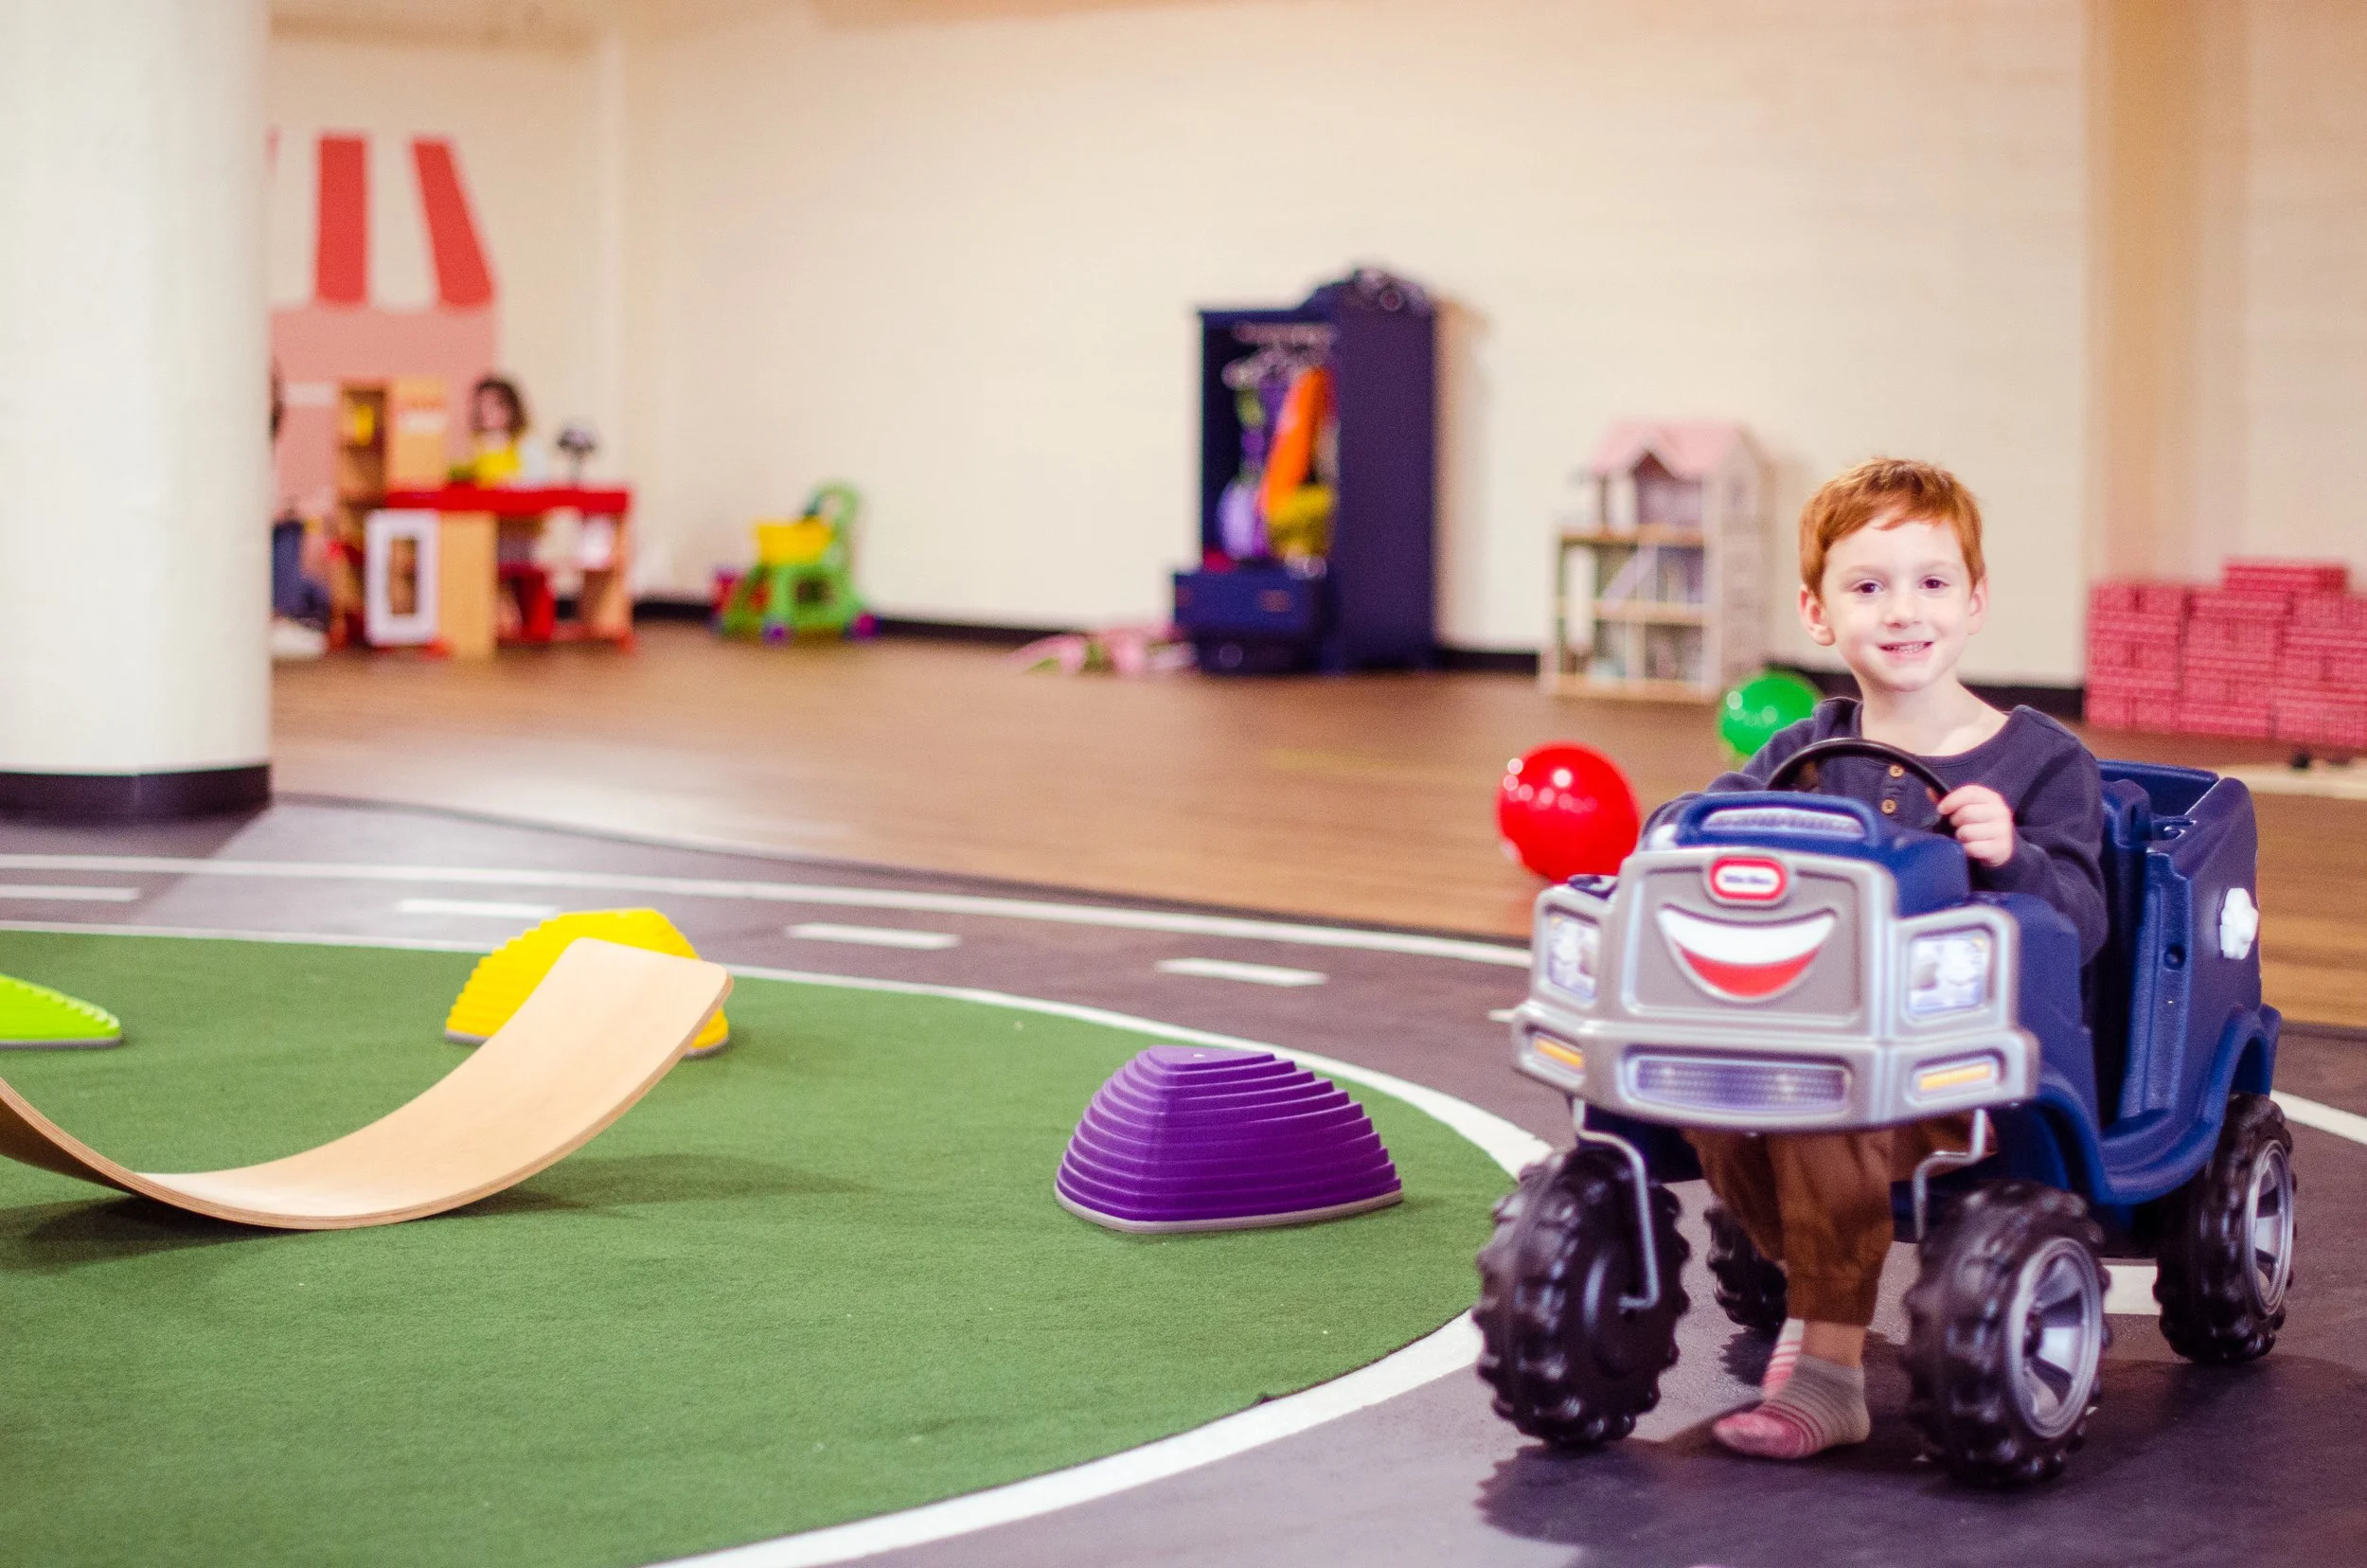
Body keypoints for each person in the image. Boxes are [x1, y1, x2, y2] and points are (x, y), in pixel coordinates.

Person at [1671, 457, 2108, 1462]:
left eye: (1930, 582)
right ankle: (1811, 1253)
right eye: (1867, 586)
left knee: (1828, 1098)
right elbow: (1697, 819)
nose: (1901, 610)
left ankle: (1825, 1371)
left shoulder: (2040, 761)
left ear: (1974, 601)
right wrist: (1686, 831)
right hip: (1808, 1023)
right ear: (1818, 613)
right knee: (1706, 1079)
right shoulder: (1806, 750)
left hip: (1973, 1061)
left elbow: (2081, 923)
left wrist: (2015, 855)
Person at [464, 373, 548, 487]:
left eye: (494, 405)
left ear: (512, 408)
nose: (485, 411)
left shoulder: (527, 442)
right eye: (481, 405)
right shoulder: (477, 444)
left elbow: (538, 482)